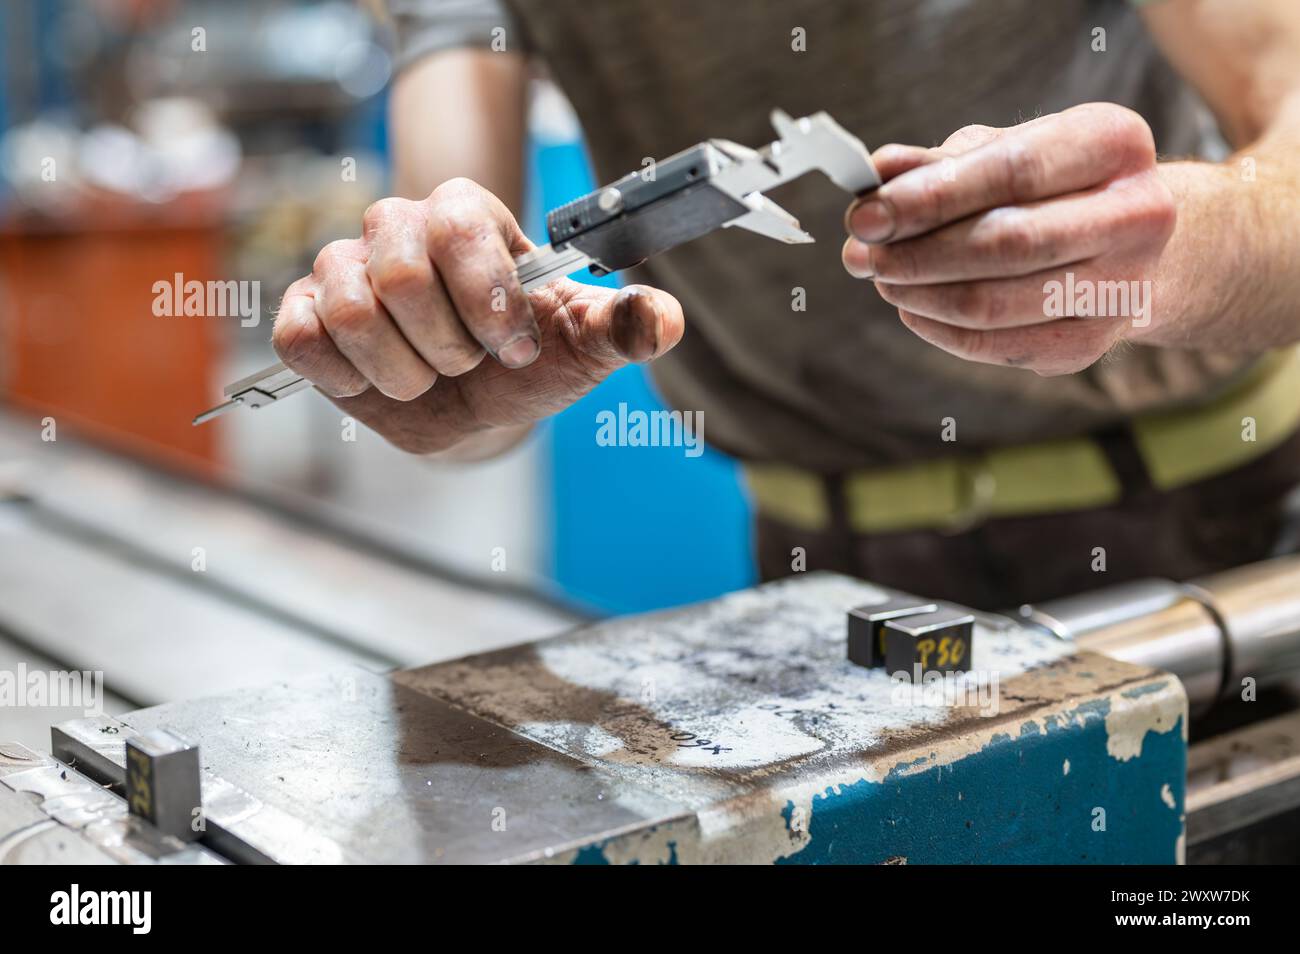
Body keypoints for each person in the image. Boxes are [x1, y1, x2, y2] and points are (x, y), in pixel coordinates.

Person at [272, 0, 1300, 608]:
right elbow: (461, 290)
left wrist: (1171, 251)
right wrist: (442, 357)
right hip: (816, 577)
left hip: (1211, 539)